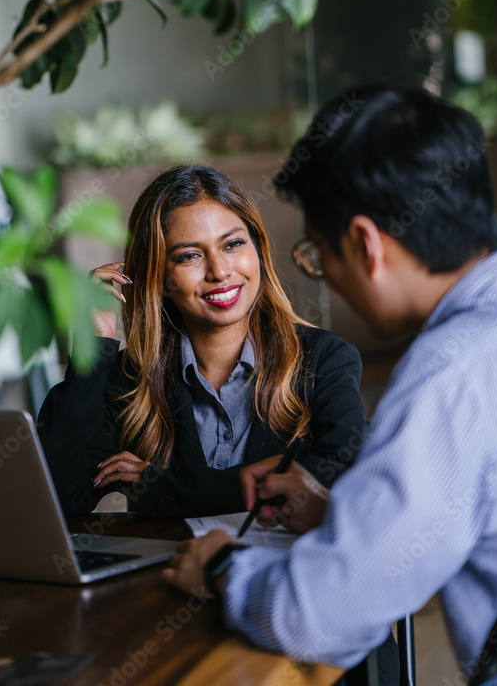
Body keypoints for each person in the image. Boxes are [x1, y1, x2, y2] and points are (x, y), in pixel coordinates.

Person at [163, 85, 497, 681]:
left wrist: (225, 569)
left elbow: (321, 617)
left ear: (365, 245)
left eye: (318, 255)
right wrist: (344, 516)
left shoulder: (450, 375)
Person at [37, 164, 367, 521]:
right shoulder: (129, 383)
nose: (219, 271)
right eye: (189, 255)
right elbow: (55, 501)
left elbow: (341, 480)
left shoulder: (323, 359)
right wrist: (93, 345)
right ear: (158, 276)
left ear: (257, 250)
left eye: (233, 244)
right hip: (170, 574)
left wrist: (164, 487)